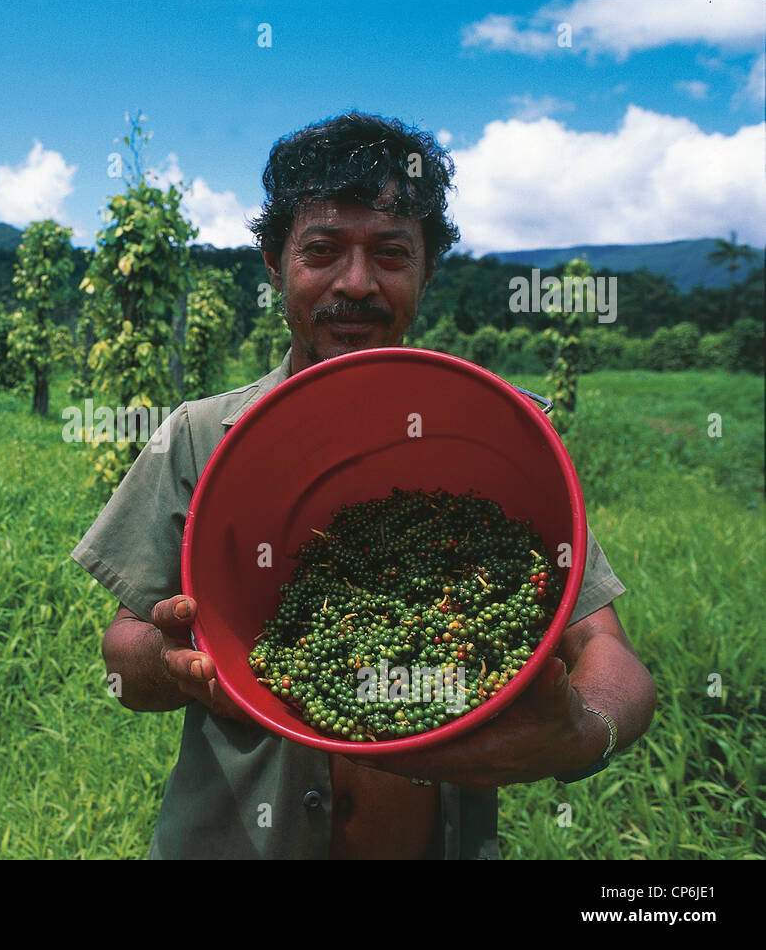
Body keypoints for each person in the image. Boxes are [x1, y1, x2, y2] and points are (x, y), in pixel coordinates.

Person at [70, 111, 657, 859]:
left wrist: (584, 733)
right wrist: (173, 661)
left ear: (427, 269)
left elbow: (612, 655)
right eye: (321, 250)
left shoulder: (503, 438)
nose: (356, 282)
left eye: (389, 253)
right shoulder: (197, 436)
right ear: (274, 262)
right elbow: (124, 654)